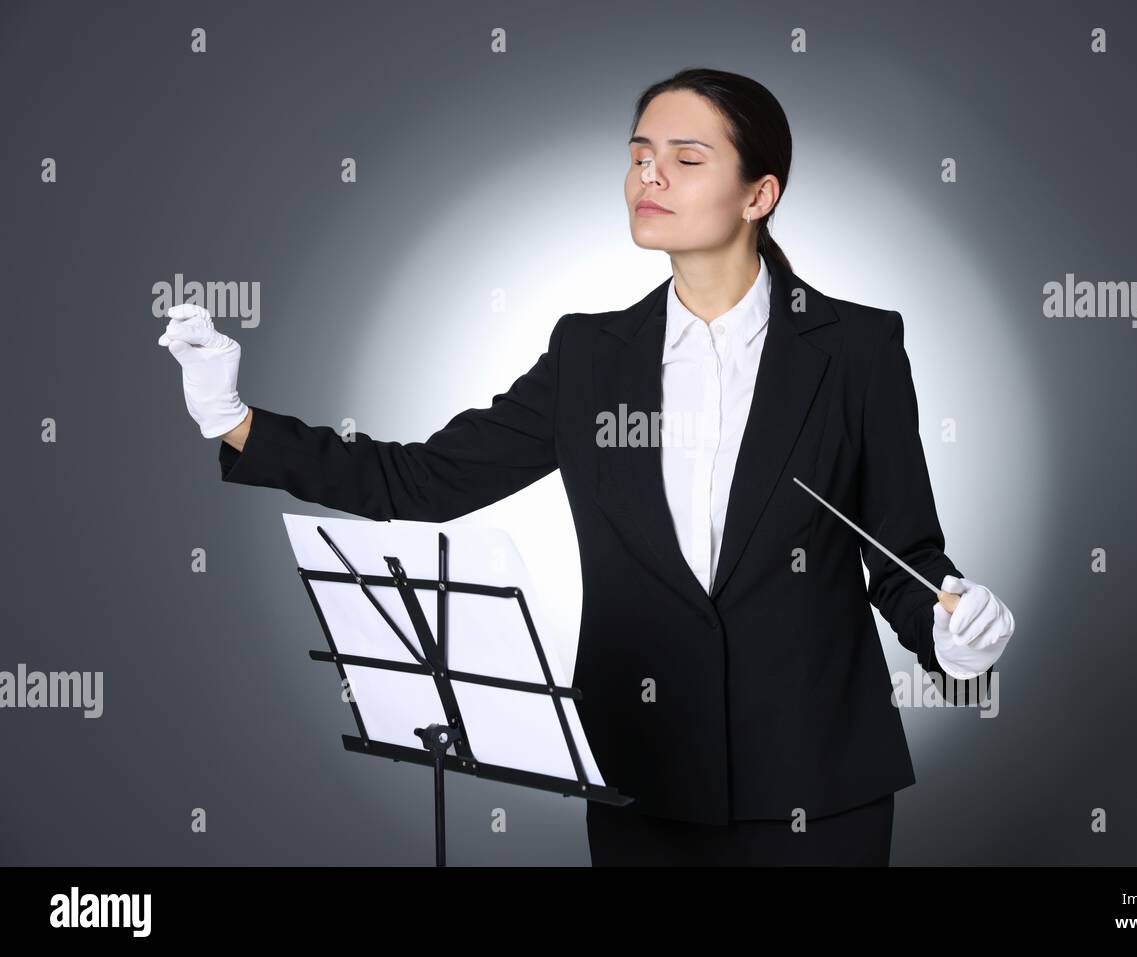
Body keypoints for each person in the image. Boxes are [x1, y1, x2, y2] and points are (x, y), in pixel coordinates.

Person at [160, 67, 1015, 866]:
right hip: (641, 780)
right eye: (640, 156)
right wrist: (233, 420)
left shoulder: (859, 348)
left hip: (820, 789)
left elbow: (903, 554)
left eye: (685, 158)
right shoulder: (587, 356)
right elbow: (422, 480)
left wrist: (952, 635)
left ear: (760, 194)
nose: (650, 177)